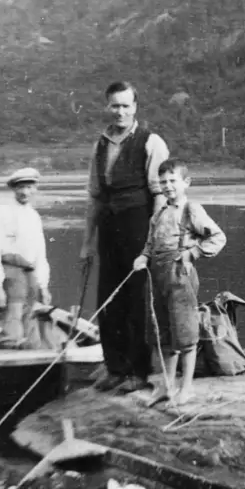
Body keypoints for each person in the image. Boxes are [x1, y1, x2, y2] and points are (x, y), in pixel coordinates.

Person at [80, 81, 171, 393]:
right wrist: (87, 242)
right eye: (114, 106)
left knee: (136, 299)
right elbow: (94, 196)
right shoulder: (101, 144)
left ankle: (138, 371)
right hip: (108, 229)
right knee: (109, 298)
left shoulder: (151, 142)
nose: (120, 112)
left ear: (136, 107)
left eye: (126, 106)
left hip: (138, 227)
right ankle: (115, 367)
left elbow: (160, 195)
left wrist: (152, 240)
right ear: (107, 107)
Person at [133, 160, 226, 407]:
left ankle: (186, 388)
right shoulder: (159, 214)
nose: (167, 186)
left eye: (173, 181)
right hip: (157, 278)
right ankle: (167, 386)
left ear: (186, 183)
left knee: (185, 334)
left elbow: (217, 237)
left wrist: (193, 253)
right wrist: (143, 257)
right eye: (163, 182)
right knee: (162, 333)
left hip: (180, 277)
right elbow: (150, 245)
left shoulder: (191, 210)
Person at [0, 168, 53, 349]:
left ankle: (30, 353)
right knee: (13, 317)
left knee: (30, 318)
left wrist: (43, 285)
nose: (25, 192)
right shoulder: (0, 213)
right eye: (20, 187)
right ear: (13, 189)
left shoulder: (34, 216)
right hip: (11, 273)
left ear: (35, 189)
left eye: (29, 187)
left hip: (30, 275)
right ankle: (7, 351)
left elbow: (40, 254)